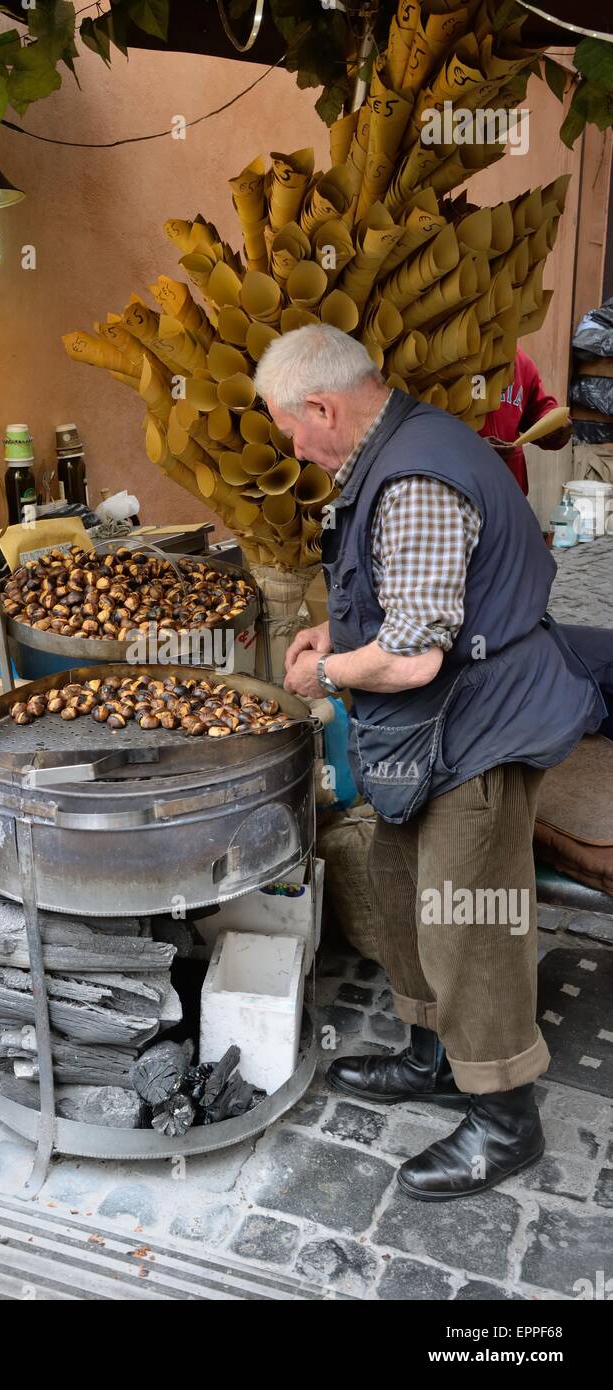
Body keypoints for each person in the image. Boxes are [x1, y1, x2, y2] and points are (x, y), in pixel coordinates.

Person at [253, 324, 606, 1202]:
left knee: (468, 919)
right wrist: (336, 628)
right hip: (428, 730)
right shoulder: (400, 444)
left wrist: (324, 672)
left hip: (475, 727)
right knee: (400, 882)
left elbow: (412, 655)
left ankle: (503, 1119)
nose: (292, 448)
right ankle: (432, 1056)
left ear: (323, 407)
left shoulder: (413, 476)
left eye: (290, 428)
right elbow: (417, 597)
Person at [479, 345, 571, 493]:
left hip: (510, 487)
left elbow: (537, 410)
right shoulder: (449, 358)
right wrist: (470, 448)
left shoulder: (521, 362)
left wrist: (555, 425)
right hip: (461, 486)